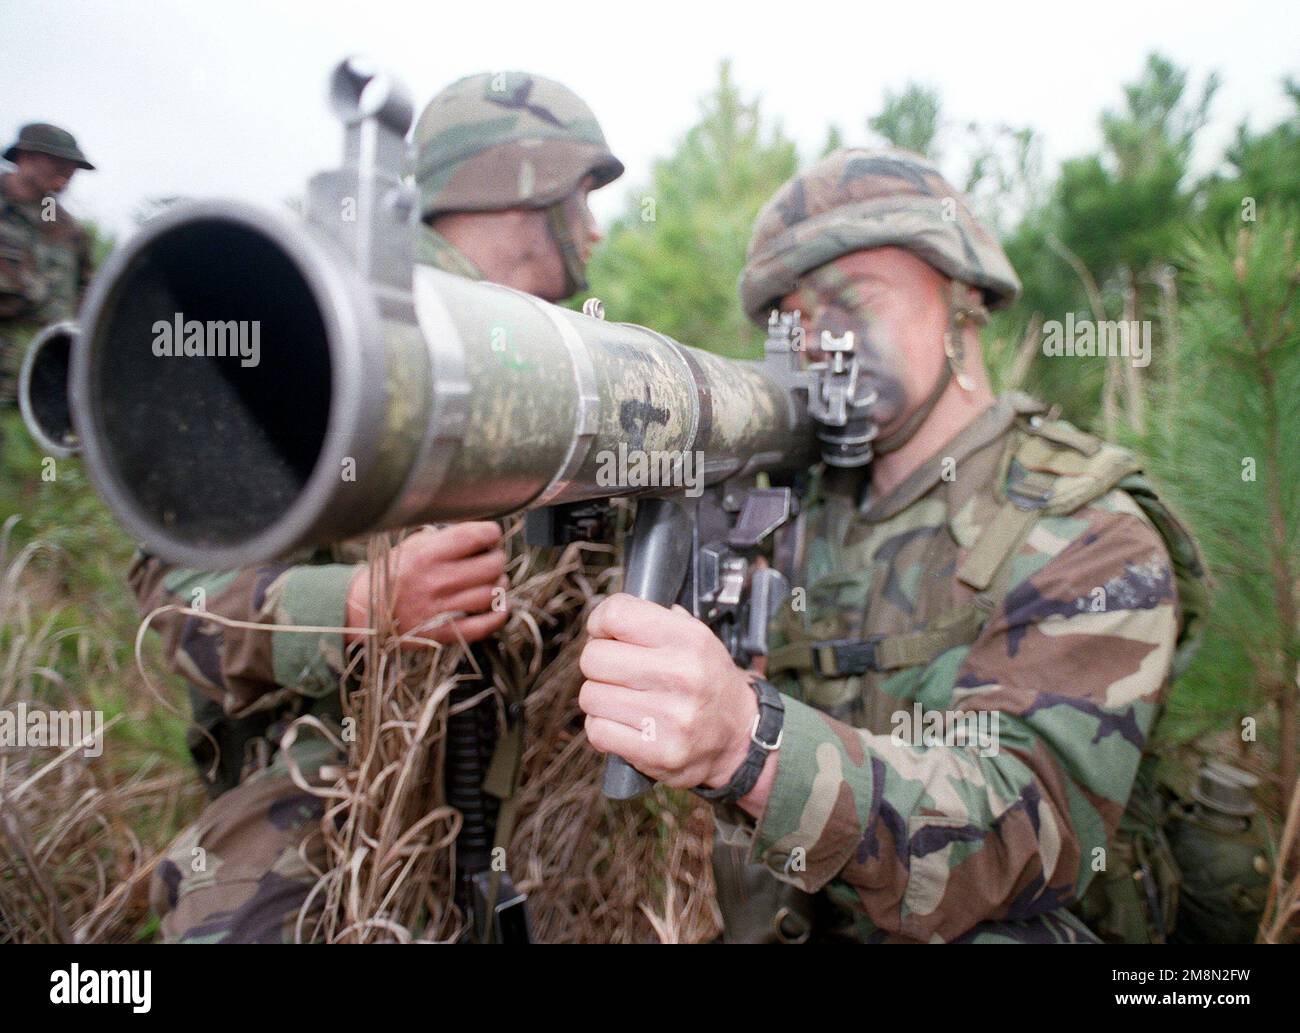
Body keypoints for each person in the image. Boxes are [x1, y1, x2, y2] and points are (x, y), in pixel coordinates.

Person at [577, 147, 1204, 944]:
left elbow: (1025, 835)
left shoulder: (1087, 530)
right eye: (796, 319)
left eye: (852, 298)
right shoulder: (796, 505)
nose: (821, 341)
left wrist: (750, 739)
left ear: (964, 296)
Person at [137, 71, 622, 942]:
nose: (595, 228)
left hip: (499, 811)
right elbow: (171, 601)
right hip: (321, 796)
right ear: (529, 190)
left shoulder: (557, 363)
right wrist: (360, 609)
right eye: (584, 197)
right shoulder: (318, 324)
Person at [0, 123, 94, 406]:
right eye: (58, 162)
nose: (67, 173)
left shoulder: (69, 231)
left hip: (40, 377)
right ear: (25, 157)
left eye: (73, 166)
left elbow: (86, 295)